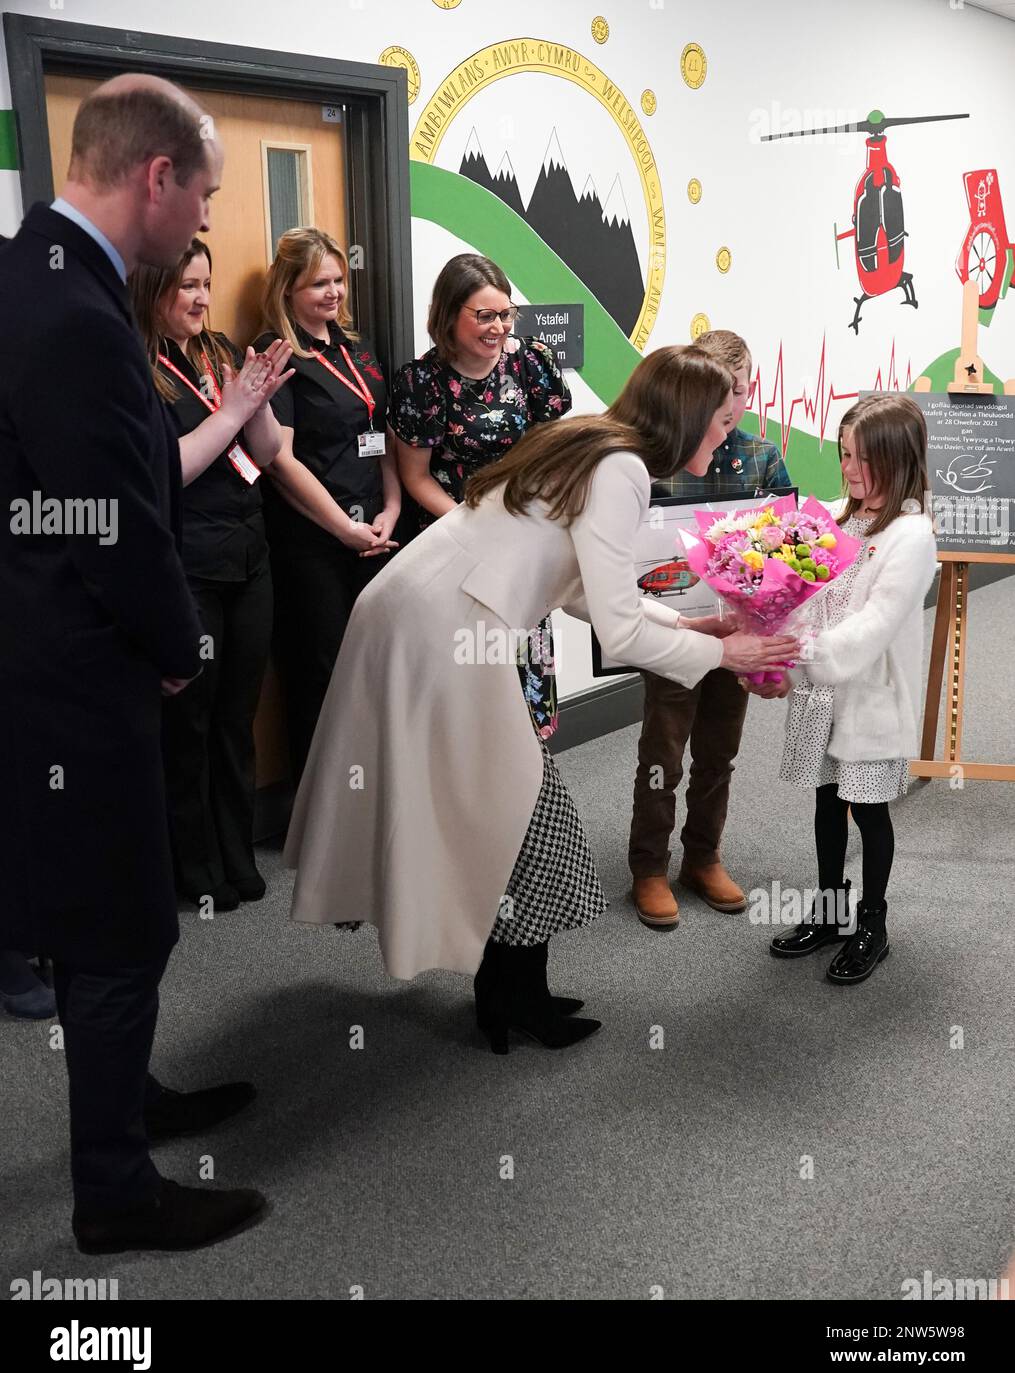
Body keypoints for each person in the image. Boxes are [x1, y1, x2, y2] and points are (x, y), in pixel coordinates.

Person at [284, 346, 800, 1053]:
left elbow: (586, 590)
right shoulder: (620, 470)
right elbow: (616, 623)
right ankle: (510, 997)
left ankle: (509, 995)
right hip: (449, 629)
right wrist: (723, 652)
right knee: (523, 818)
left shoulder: (595, 442)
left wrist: (685, 624)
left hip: (432, 614)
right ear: (684, 421)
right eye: (719, 423)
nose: (727, 435)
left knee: (515, 818)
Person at [0, 74, 265, 1254]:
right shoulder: (75, 318)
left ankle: (130, 1097)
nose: (202, 224)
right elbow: (117, 522)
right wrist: (176, 647)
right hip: (76, 671)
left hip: (43, 655)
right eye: (201, 198)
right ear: (156, 178)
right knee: (118, 927)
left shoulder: (33, 277)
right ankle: (113, 1189)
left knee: (106, 918)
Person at [130, 239, 292, 913]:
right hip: (187, 564)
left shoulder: (220, 353)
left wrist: (255, 401)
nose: (199, 298)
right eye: (184, 286)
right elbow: (167, 471)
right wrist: (229, 410)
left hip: (248, 555)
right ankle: (192, 864)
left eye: (205, 283)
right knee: (188, 724)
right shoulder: (134, 367)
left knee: (236, 716)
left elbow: (269, 452)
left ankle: (235, 850)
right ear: (150, 291)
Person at [759, 393, 937, 984]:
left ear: (900, 458)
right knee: (827, 801)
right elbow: (797, 590)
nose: (851, 471)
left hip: (869, 696)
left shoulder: (911, 534)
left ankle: (872, 923)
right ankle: (832, 911)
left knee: (868, 808)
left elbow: (874, 625)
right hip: (819, 693)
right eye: (845, 455)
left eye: (865, 460)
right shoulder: (834, 514)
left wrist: (802, 652)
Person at [629, 329, 793, 929]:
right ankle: (648, 866)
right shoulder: (656, 457)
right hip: (673, 628)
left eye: (742, 394)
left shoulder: (761, 457)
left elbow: (787, 543)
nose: (734, 410)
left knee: (719, 751)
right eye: (724, 397)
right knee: (663, 750)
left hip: (738, 631)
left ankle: (702, 856)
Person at [390, 253, 571, 740]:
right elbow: (417, 478)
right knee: (468, 669)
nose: (498, 328)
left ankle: (531, 784)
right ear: (450, 316)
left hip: (522, 536)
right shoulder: (420, 383)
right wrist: (475, 527)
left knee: (523, 665)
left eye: (505, 313)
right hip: (455, 539)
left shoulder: (531, 362)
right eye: (484, 316)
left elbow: (550, 446)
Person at [254, 227, 401, 786]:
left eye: (338, 279)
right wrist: (342, 528)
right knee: (322, 672)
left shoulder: (357, 348)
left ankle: (369, 793)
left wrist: (390, 505)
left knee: (375, 666)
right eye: (319, 283)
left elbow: (379, 433)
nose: (334, 291)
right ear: (287, 289)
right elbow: (280, 460)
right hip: (315, 539)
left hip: (377, 533)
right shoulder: (281, 355)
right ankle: (320, 811)